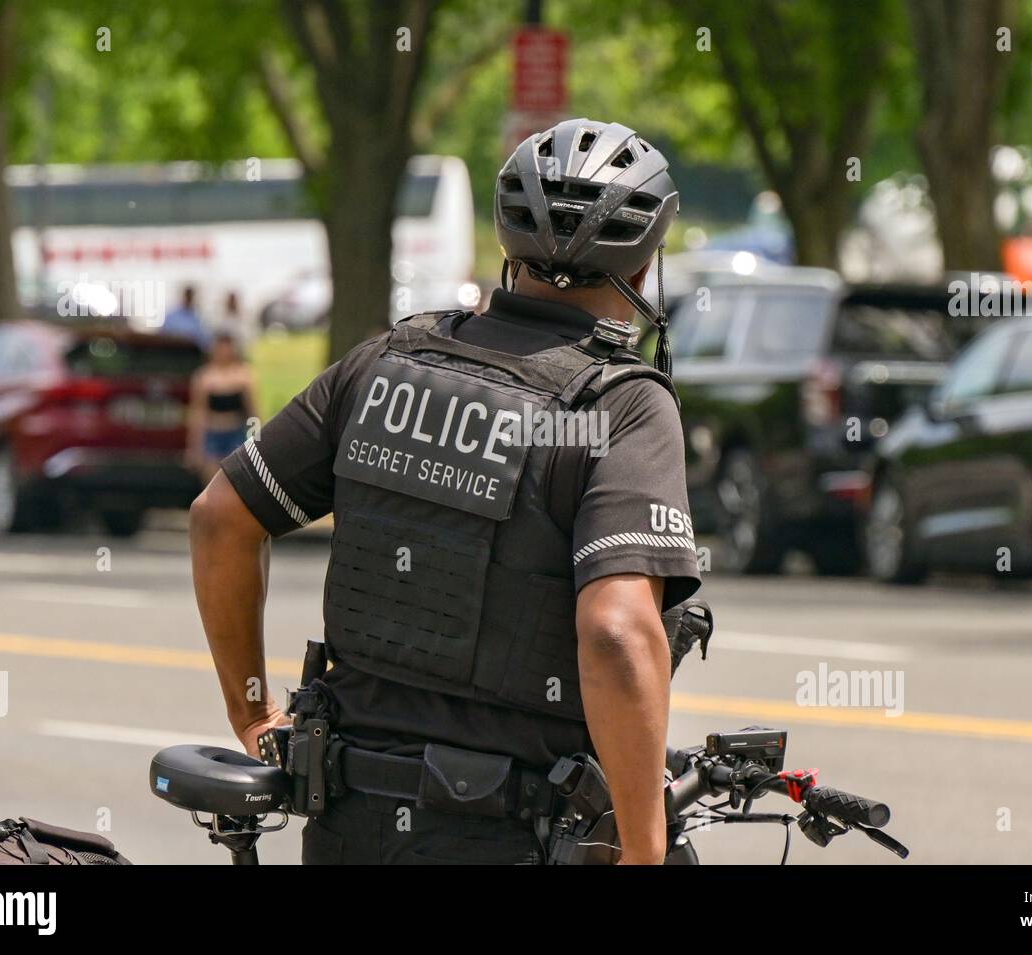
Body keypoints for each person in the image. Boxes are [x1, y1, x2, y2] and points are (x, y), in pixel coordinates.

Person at [189, 118, 698, 865]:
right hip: (508, 834)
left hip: (346, 828)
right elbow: (618, 632)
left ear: (505, 243)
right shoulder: (620, 406)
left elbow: (219, 520)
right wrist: (646, 854)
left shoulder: (383, 364)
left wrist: (253, 710)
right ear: (646, 267)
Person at [185, 331, 258, 485]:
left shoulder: (244, 374)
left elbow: (253, 411)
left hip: (236, 434)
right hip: (213, 435)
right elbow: (198, 413)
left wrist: (256, 440)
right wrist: (194, 447)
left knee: (236, 484)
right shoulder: (204, 377)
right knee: (211, 484)